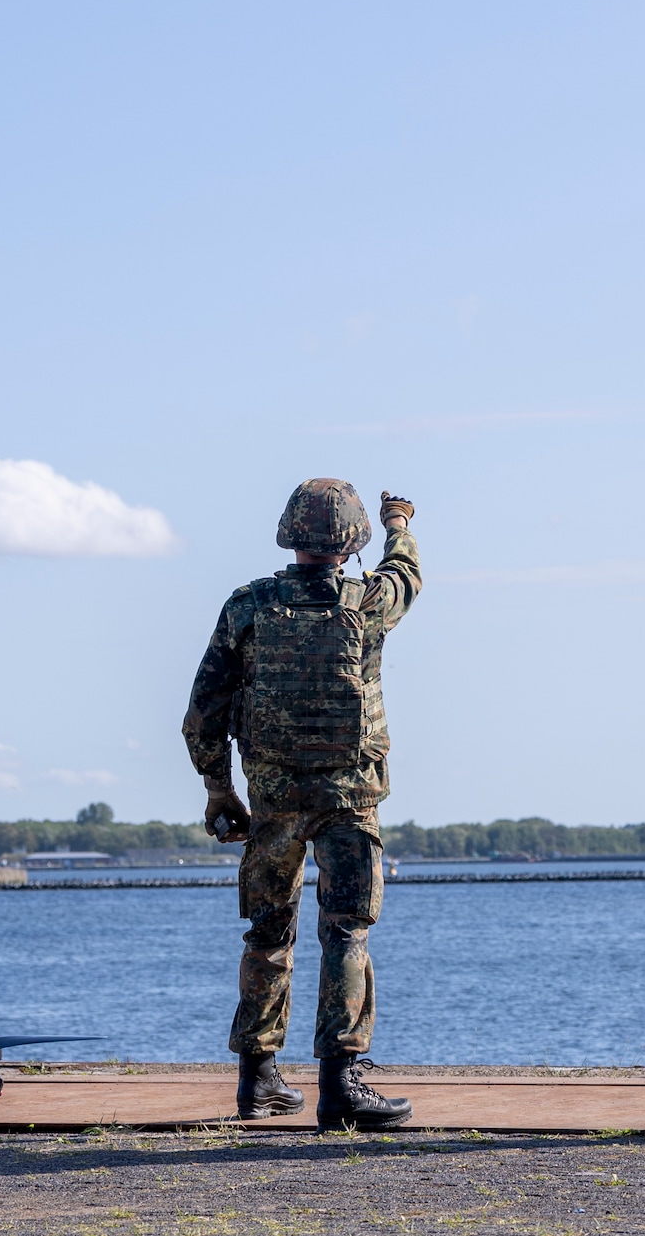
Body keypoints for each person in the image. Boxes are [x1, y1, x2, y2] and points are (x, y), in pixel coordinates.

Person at [181, 478, 421, 1129]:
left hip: (275, 795)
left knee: (267, 932)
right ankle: (342, 1082)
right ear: (350, 541)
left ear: (290, 533)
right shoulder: (370, 601)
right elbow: (406, 575)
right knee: (345, 929)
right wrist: (398, 521)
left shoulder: (249, 605)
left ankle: (257, 1079)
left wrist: (219, 788)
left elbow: (202, 712)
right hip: (349, 794)